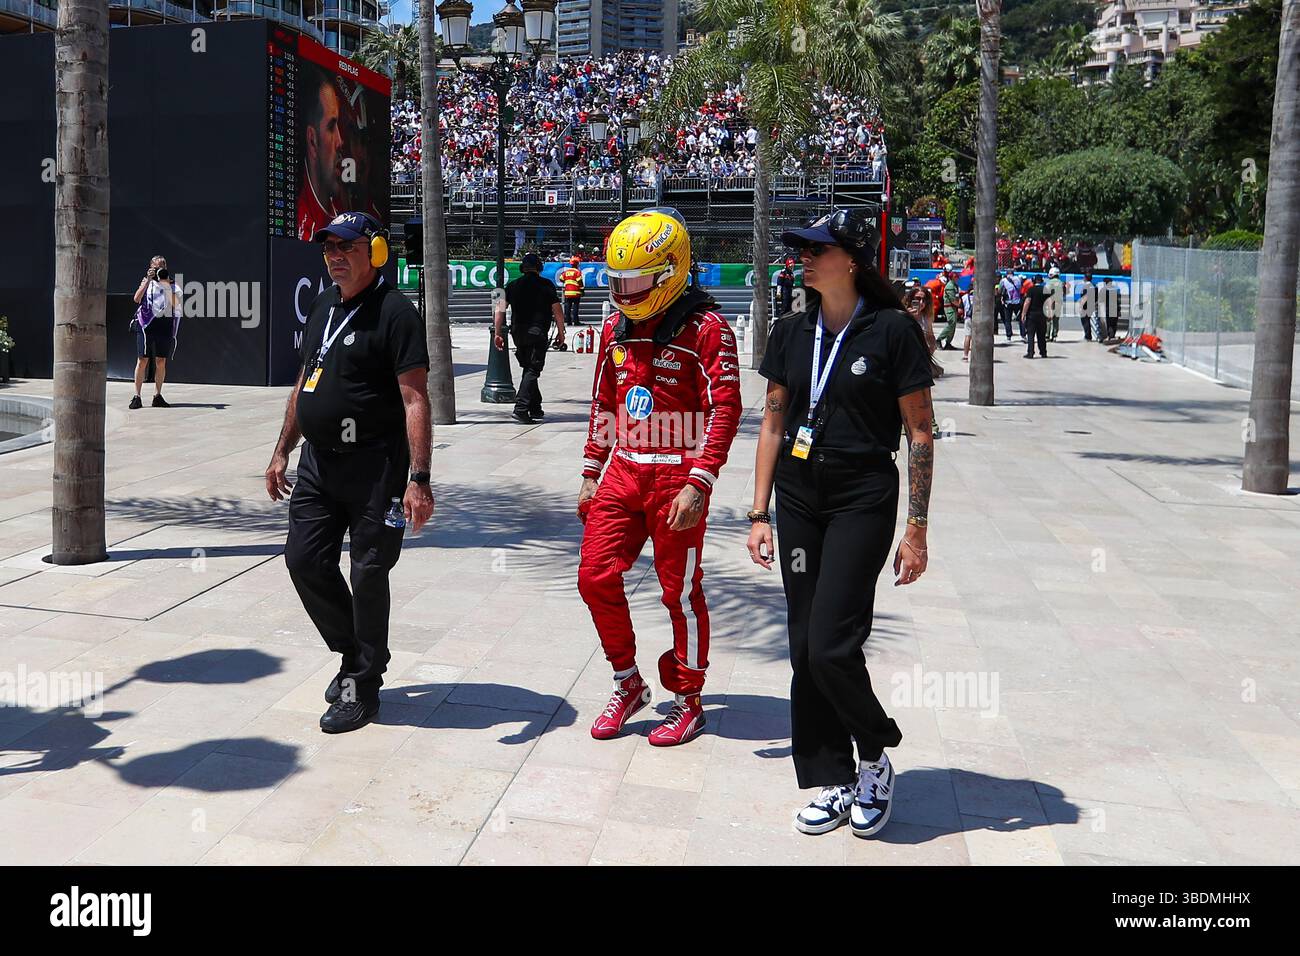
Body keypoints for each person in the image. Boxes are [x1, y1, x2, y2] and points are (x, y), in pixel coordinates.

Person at [747, 207, 934, 839]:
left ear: (850, 260)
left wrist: (917, 526)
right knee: (804, 643)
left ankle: (876, 753)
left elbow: (920, 433)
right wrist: (758, 512)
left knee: (832, 641)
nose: (803, 257)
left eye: (816, 249)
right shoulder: (790, 332)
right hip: (799, 496)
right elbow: (773, 422)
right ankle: (832, 777)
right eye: (801, 248)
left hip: (861, 493)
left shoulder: (892, 331)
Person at [576, 207, 742, 748]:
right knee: (594, 577)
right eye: (617, 281)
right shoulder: (613, 328)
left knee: (679, 594)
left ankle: (688, 700)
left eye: (635, 282)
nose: (624, 293)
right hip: (624, 471)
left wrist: (701, 482)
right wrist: (589, 470)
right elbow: (605, 400)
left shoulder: (707, 329)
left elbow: (725, 408)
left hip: (678, 480)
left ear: (671, 272)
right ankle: (628, 684)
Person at [265, 212, 434, 734]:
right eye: (328, 249)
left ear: (375, 252)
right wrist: (281, 451)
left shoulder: (396, 314)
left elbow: (414, 398)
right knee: (304, 561)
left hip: (376, 467)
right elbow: (304, 382)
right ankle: (355, 656)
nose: (335, 257)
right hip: (319, 461)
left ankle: (362, 683)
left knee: (367, 571)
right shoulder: (322, 305)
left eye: (347, 247)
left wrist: (420, 478)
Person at [495, 253, 566, 424]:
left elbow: (499, 310)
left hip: (518, 333)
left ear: (522, 268)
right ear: (539, 268)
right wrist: (561, 333)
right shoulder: (546, 285)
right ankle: (521, 409)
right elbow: (557, 310)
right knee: (533, 370)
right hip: (537, 332)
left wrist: (498, 333)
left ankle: (535, 407)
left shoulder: (512, 286)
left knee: (529, 368)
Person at [130, 255, 181, 409]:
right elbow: (137, 299)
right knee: (142, 360)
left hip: (164, 324)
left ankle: (157, 396)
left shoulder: (172, 284)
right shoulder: (147, 282)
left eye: (161, 268)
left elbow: (176, 304)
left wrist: (165, 283)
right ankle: (137, 396)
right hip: (145, 324)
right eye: (156, 268)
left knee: (161, 361)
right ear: (151, 268)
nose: (159, 271)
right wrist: (147, 280)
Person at [298, 75, 344, 241]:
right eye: (332, 126)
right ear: (312, 140)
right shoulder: (301, 225)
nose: (340, 141)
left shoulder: (340, 210)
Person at [1021, 272, 1050, 359]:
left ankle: (1030, 353)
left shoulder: (1031, 290)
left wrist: (1023, 313)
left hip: (1032, 315)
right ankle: (1043, 352)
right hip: (1042, 315)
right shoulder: (1045, 289)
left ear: (1033, 281)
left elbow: (1027, 302)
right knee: (1041, 335)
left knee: (1031, 335)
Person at [557, 255, 586, 327]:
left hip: (567, 293)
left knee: (568, 307)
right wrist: (582, 290)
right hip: (576, 292)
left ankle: (568, 322)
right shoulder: (577, 272)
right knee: (575, 307)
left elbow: (561, 278)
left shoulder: (566, 271)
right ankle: (576, 322)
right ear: (577, 264)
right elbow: (580, 282)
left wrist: (566, 281)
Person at [936, 267, 960, 351]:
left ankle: (948, 343)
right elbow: (953, 300)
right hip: (950, 308)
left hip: (954, 307)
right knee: (951, 324)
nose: (958, 278)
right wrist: (960, 306)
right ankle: (939, 340)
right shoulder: (950, 286)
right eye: (956, 276)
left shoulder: (955, 286)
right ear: (953, 277)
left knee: (953, 326)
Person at [997, 269, 1021, 341]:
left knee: (1008, 320)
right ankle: (1023, 334)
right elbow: (1020, 288)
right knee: (1020, 319)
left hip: (1008, 302)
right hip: (1017, 301)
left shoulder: (1003, 280)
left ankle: (1009, 335)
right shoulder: (1018, 279)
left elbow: (1000, 290)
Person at [1043, 266, 1065, 342]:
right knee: (1056, 320)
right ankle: (1054, 335)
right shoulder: (1061, 283)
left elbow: (1046, 292)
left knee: (1048, 320)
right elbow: (1064, 292)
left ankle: (1047, 335)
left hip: (1050, 302)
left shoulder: (1049, 282)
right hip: (1059, 302)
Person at [1076, 267, 1096, 342]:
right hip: (1091, 305)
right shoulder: (1093, 286)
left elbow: (1085, 297)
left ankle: (1087, 336)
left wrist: (1081, 306)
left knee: (1085, 321)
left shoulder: (1086, 286)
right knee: (1087, 320)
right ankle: (1088, 335)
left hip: (1086, 307)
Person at [1099, 275, 1120, 341]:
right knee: (1114, 323)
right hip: (1116, 309)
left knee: (1109, 324)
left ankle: (1110, 336)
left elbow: (1101, 300)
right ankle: (1113, 335)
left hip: (1109, 310)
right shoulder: (1115, 289)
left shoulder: (1103, 290)